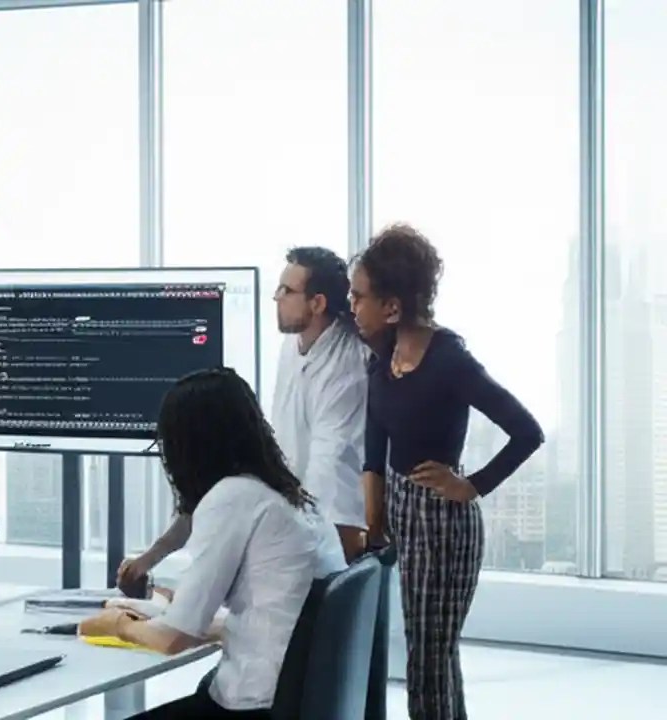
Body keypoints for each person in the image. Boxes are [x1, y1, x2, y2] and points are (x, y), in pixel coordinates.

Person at [350, 224, 543, 720]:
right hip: (400, 514)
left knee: (428, 660)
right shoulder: (380, 360)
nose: (353, 305)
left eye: (360, 296)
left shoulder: (450, 360)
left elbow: (527, 431)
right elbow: (375, 446)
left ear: (392, 306)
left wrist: (471, 485)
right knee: (430, 657)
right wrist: (376, 517)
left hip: (442, 524)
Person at [78, 368, 345, 719]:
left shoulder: (233, 497)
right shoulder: (286, 497)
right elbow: (269, 620)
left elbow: (173, 639)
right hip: (285, 697)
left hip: (251, 705)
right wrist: (177, 611)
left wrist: (117, 626)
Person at [117, 247, 369, 589]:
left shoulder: (347, 361)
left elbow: (333, 461)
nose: (276, 297)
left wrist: (321, 557)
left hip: (329, 529)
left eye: (287, 291)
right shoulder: (294, 344)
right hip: (301, 520)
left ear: (318, 303)